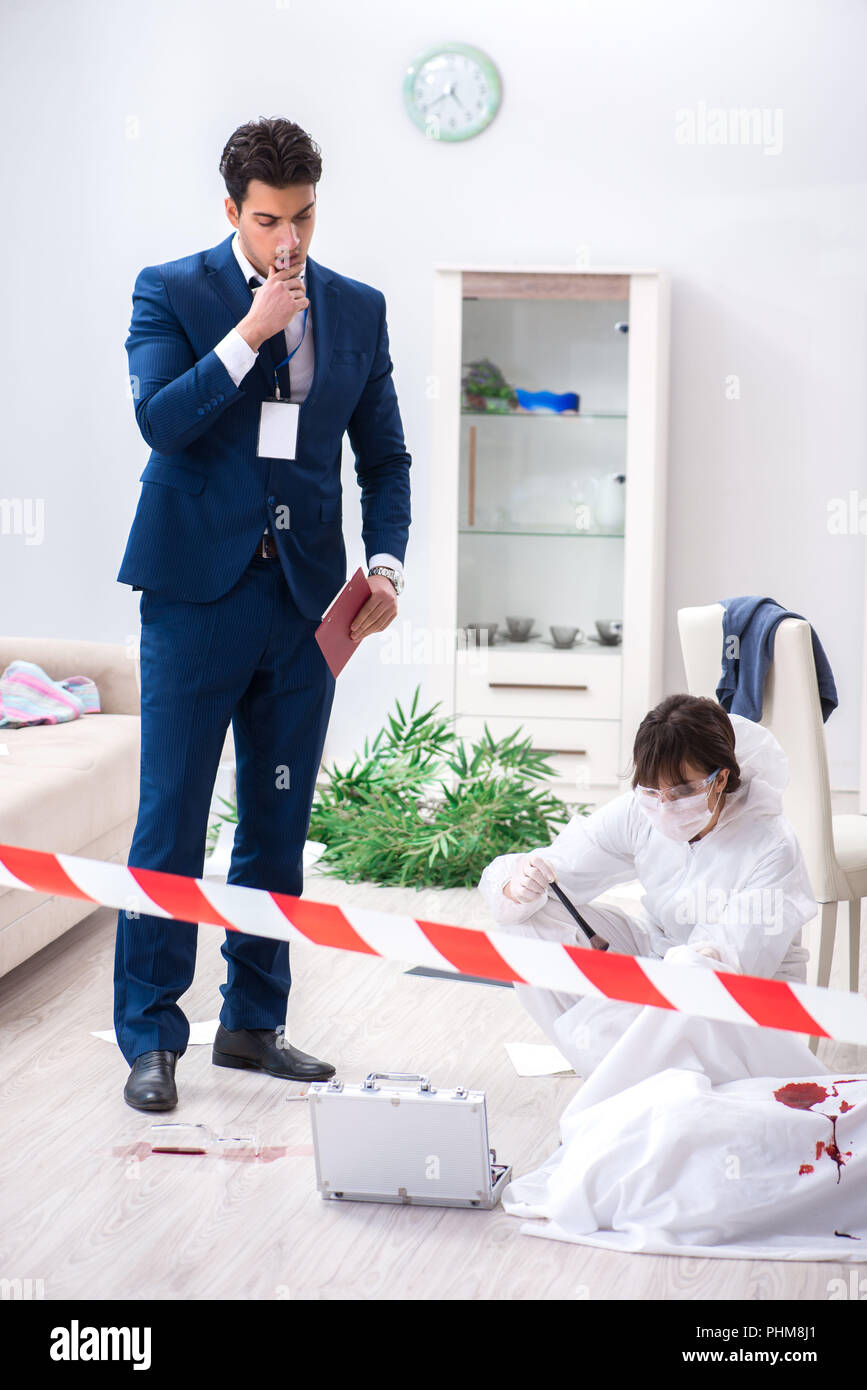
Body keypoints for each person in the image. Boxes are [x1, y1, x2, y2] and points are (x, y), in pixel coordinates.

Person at [114, 116, 411, 1112]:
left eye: (307, 217)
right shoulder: (172, 291)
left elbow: (386, 458)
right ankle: (151, 1039)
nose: (291, 241)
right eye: (271, 219)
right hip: (196, 596)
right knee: (171, 822)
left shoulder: (359, 309)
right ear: (232, 211)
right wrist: (251, 334)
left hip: (304, 604)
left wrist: (384, 565)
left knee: (276, 822)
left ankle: (252, 1024)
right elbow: (163, 420)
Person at [477, 694, 867, 1258]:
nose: (665, 805)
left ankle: (610, 1099)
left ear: (721, 778)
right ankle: (628, 1077)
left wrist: (650, 984)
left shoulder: (770, 844)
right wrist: (520, 880)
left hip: (743, 1004)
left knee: (689, 968)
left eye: (682, 791)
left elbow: (730, 963)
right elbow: (558, 865)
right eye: (652, 791)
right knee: (529, 922)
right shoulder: (644, 812)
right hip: (663, 971)